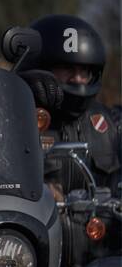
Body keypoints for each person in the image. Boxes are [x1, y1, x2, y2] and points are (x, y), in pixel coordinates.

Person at [17, 14, 120, 192]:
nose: (78, 79)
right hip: (40, 219)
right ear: (41, 67)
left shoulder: (113, 125)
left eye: (84, 70)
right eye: (67, 69)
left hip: (100, 219)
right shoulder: (14, 122)